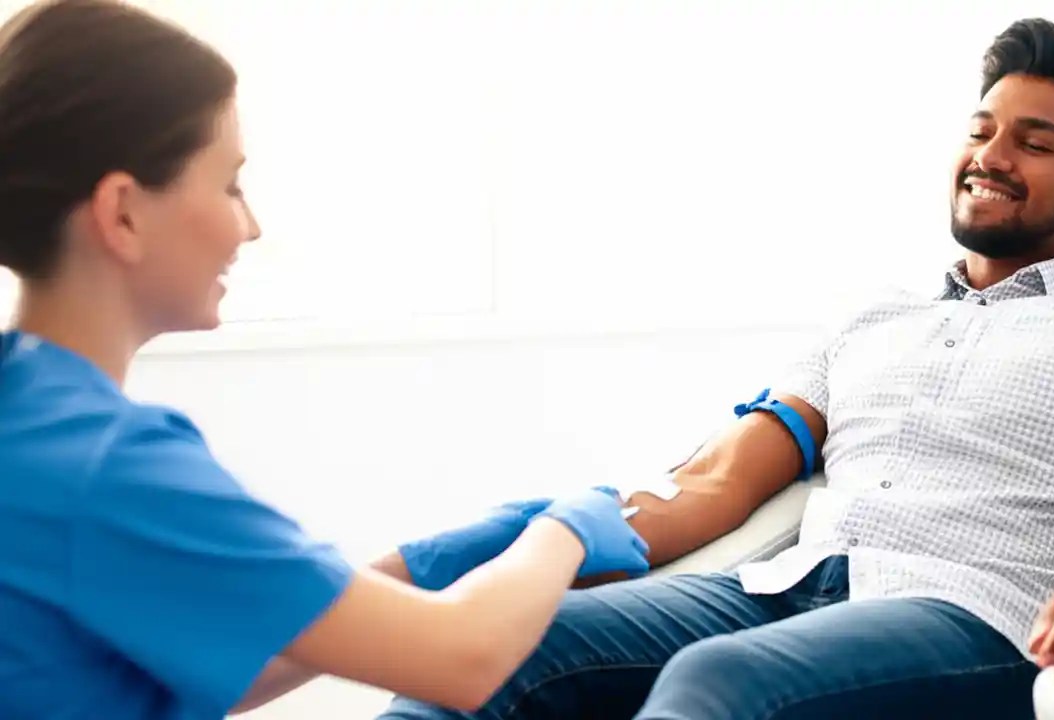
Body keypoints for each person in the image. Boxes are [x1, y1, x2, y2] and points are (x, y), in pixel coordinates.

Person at [385, 17, 1054, 720]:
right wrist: (491, 553)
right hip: (781, 589)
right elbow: (716, 481)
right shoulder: (869, 316)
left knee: (715, 688)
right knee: (496, 644)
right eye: (980, 131)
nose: (991, 156)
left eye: (1035, 142)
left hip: (970, 620)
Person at [0, 2, 652, 719]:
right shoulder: (108, 463)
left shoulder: (29, 418)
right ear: (122, 212)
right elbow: (463, 657)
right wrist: (563, 533)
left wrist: (408, 571)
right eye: (229, 185)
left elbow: (164, 683)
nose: (249, 227)